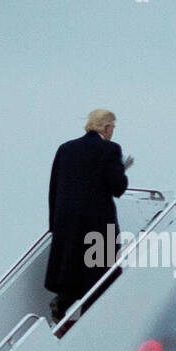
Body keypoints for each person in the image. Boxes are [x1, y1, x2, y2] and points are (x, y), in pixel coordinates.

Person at [45, 109, 133, 333]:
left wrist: (54, 225)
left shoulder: (65, 149)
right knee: (101, 273)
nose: (113, 132)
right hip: (97, 223)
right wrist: (121, 169)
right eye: (112, 127)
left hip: (66, 222)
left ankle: (62, 303)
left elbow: (54, 187)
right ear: (105, 128)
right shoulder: (110, 150)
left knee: (74, 268)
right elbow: (118, 187)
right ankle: (89, 323)